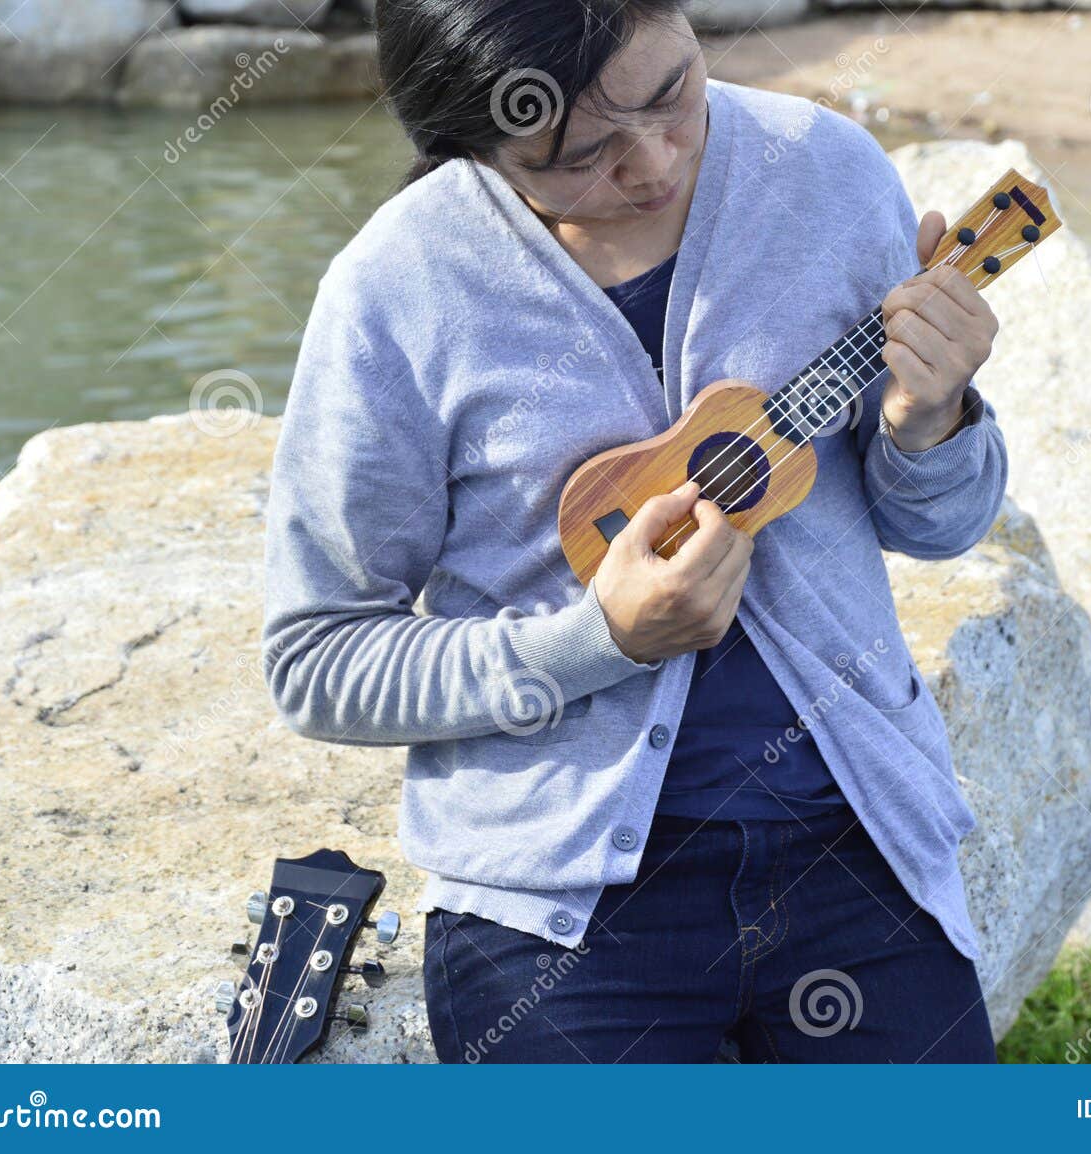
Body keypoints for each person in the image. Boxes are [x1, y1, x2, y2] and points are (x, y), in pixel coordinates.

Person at [262, 0, 1008, 1063]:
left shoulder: (824, 171)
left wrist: (930, 421)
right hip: (555, 904)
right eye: (576, 155)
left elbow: (942, 525)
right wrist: (596, 639)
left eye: (672, 95)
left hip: (856, 844)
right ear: (466, 143)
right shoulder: (398, 290)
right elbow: (316, 662)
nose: (653, 161)